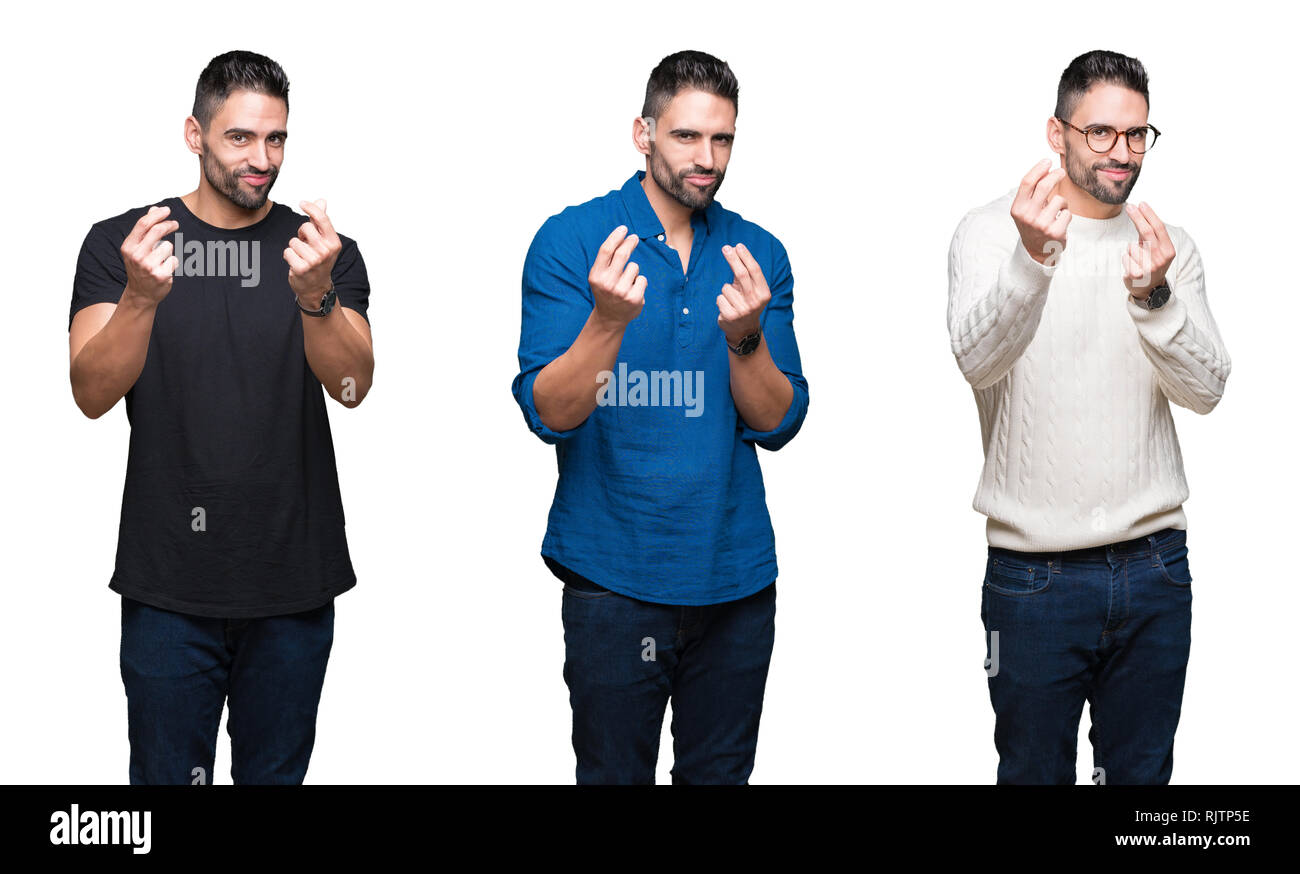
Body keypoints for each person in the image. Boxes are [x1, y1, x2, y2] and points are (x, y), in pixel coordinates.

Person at [68, 50, 374, 785]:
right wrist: (141, 298)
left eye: (276, 140)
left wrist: (317, 296)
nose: (261, 159)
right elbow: (90, 394)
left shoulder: (321, 253)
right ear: (194, 135)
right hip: (169, 579)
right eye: (239, 138)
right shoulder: (124, 245)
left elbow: (355, 385)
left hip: (292, 579)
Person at [513, 50, 808, 784]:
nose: (707, 159)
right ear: (642, 134)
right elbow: (550, 412)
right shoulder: (574, 240)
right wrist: (608, 322)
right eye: (686, 137)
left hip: (735, 580)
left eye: (723, 140)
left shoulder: (757, 252)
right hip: (612, 576)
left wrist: (744, 339)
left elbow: (779, 423)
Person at [947, 49, 1230, 784]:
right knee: (1033, 774)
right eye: (1101, 132)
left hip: (1155, 570)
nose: (1123, 152)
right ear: (1058, 133)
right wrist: (1032, 262)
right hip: (1031, 579)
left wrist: (1155, 298)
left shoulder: (1169, 249)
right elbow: (977, 362)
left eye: (1138, 135)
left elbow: (1207, 391)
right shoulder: (987, 233)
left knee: (1143, 787)